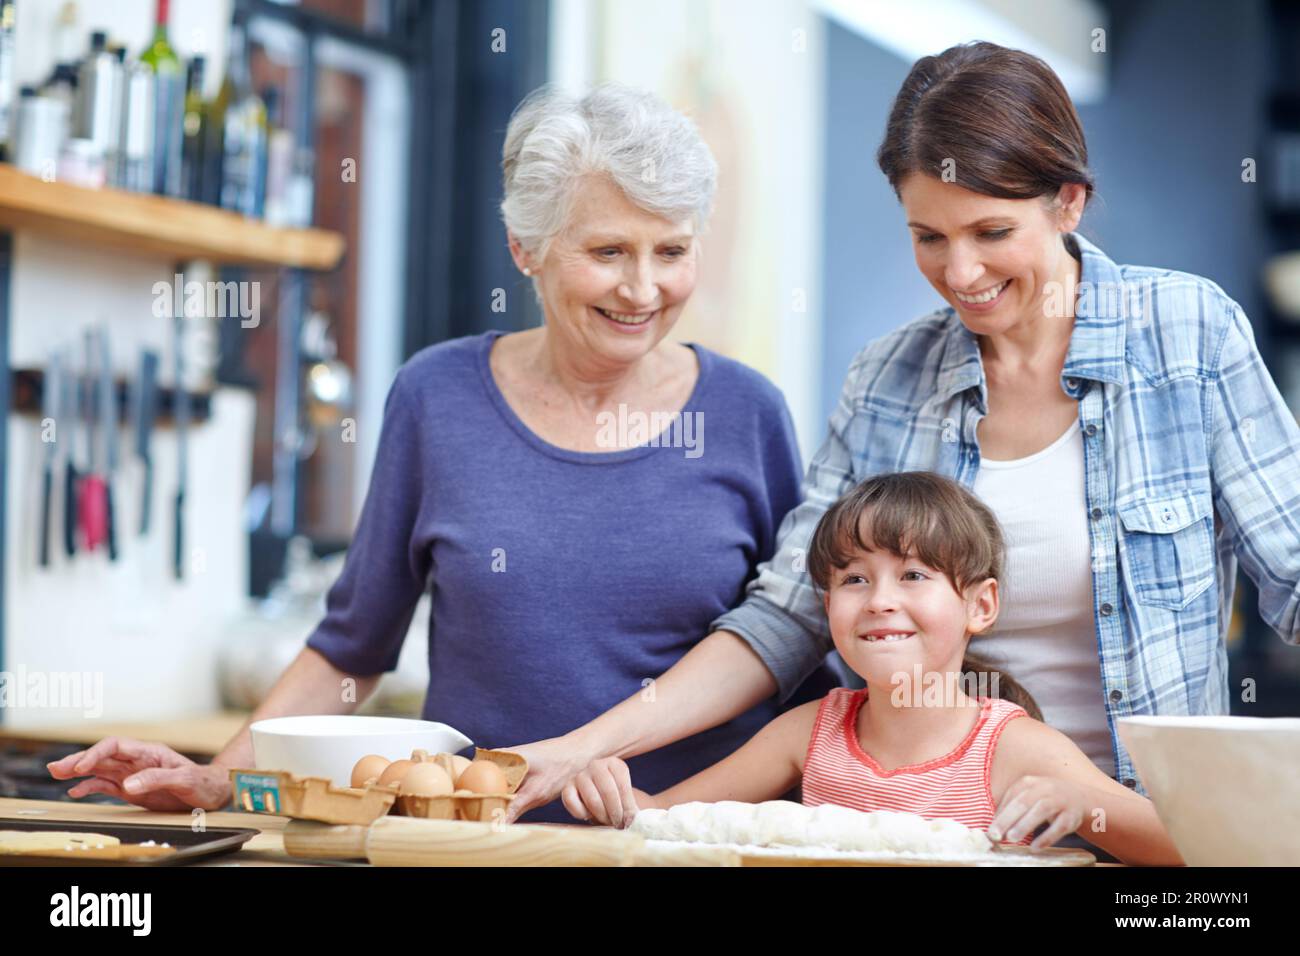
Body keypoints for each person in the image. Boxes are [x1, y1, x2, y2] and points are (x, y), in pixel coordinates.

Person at [503, 42, 1300, 849]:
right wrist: (583, 748)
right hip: (934, 842)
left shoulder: (1186, 336)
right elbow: (786, 616)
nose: (961, 271)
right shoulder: (890, 376)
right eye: (929, 236)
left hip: (1156, 841)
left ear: (1068, 202)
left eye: (992, 231)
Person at [47, 83, 839, 821]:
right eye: (608, 252)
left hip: (682, 847)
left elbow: (794, 646)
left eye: (671, 251)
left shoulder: (745, 413)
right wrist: (219, 781)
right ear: (525, 247)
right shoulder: (438, 397)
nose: (642, 289)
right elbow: (353, 651)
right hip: (470, 843)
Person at [564, 472, 1185, 866]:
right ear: (827, 605)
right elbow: (665, 824)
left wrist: (1078, 801)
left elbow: (1187, 853)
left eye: (913, 575)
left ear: (980, 604)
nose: (881, 599)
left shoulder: (1014, 748)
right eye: (854, 579)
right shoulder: (808, 731)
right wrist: (612, 798)